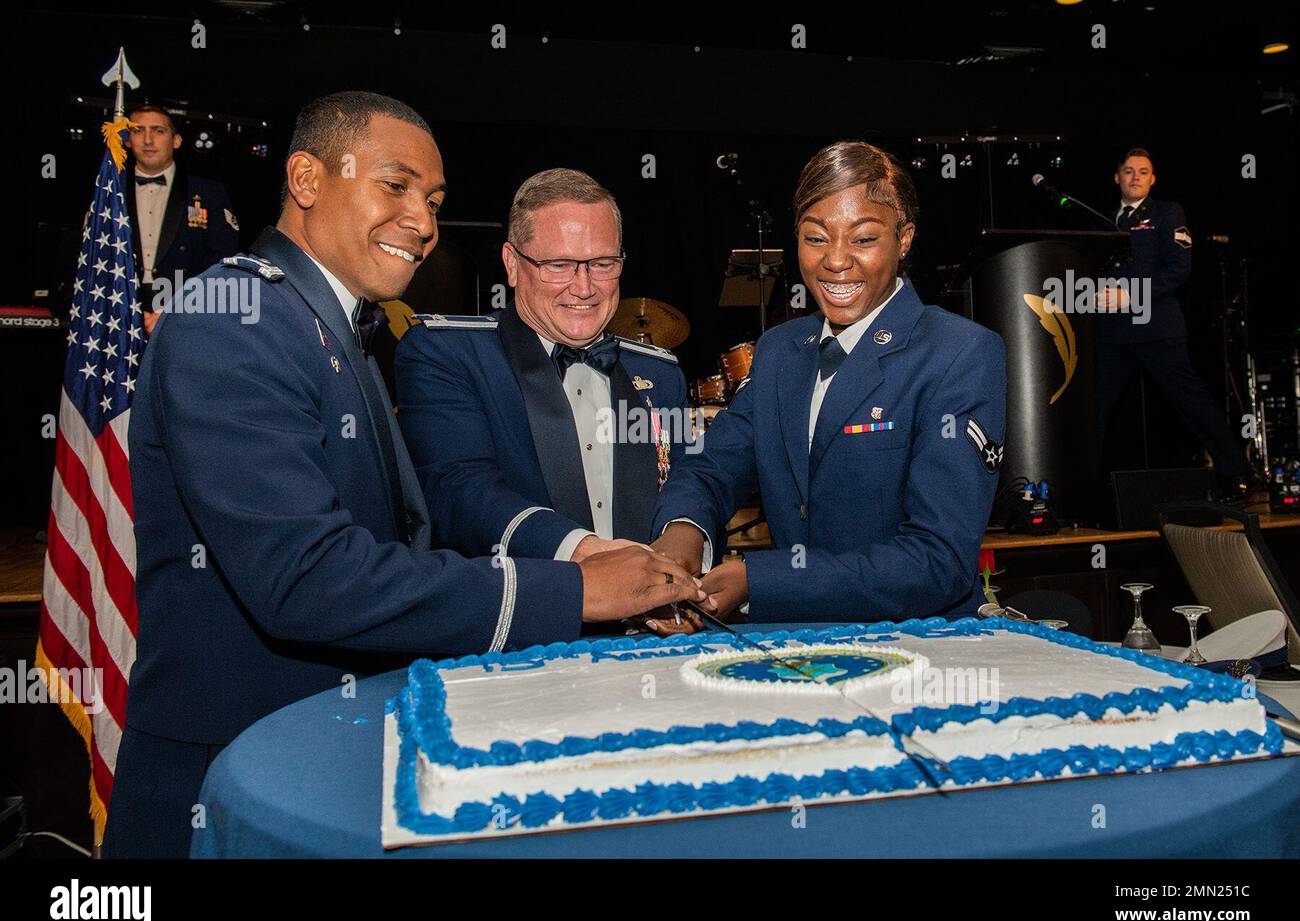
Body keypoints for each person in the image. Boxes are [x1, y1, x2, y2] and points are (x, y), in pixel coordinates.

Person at [104, 92, 706, 858]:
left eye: (434, 199)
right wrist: (578, 586)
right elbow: (307, 579)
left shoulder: (323, 326)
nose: (422, 220)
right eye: (395, 186)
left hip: (313, 753)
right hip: (226, 784)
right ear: (307, 178)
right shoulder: (238, 320)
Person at [651, 141, 1007, 623]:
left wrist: (759, 581)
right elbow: (712, 468)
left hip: (914, 652)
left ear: (904, 240)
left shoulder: (959, 353)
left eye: (863, 239)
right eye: (816, 238)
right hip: (789, 650)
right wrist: (681, 533)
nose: (835, 261)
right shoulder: (779, 350)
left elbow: (938, 561)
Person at [394, 169, 695, 569]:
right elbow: (459, 493)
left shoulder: (660, 374)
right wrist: (585, 555)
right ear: (512, 264)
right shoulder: (446, 353)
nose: (585, 287)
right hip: (525, 619)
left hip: (652, 622)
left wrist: (685, 540)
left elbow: (688, 484)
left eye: (602, 263)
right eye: (558, 265)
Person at [1096, 148, 1255, 500]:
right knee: (1094, 406)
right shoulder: (1104, 220)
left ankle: (1236, 472)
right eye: (1128, 170)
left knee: (1191, 401)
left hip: (1157, 329)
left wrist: (1131, 296)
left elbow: (1178, 270)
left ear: (1153, 179)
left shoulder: (1168, 213)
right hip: (1113, 333)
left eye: (1143, 171)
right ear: (1116, 178)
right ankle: (1080, 484)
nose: (1135, 176)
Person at [124, 103, 240, 334]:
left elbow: (222, 261)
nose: (148, 140)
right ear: (127, 140)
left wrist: (175, 311)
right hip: (119, 311)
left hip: (184, 315)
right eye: (138, 130)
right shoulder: (110, 192)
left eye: (158, 131)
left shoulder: (209, 193)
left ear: (176, 140)